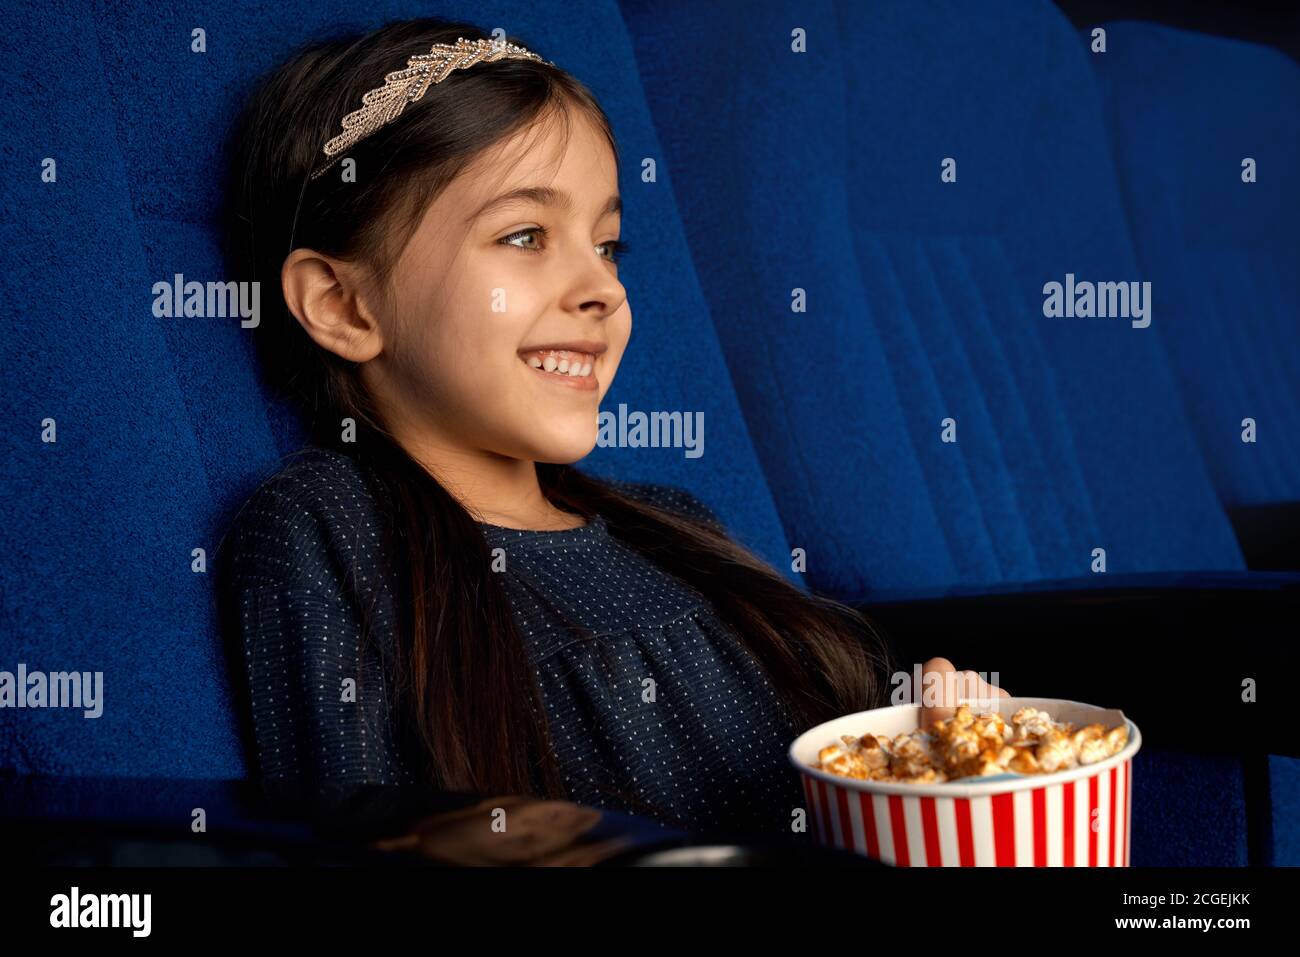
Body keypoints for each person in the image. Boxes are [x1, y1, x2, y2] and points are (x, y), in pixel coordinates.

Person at [217, 17, 1005, 866]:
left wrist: (930, 760)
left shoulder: (671, 525)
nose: (601, 287)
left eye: (609, 244)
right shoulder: (326, 528)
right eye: (525, 236)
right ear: (344, 306)